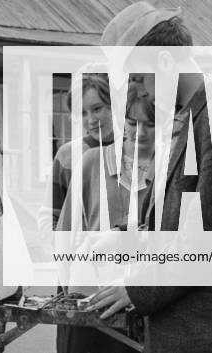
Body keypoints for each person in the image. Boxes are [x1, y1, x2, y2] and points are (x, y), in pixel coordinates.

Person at [88, 1, 212, 353]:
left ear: (165, 61)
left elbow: (209, 241)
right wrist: (129, 237)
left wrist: (136, 290)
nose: (140, 91)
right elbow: (181, 219)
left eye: (139, 77)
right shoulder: (195, 117)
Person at [54, 82, 151, 353]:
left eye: (151, 123)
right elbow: (65, 234)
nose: (141, 131)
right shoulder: (90, 161)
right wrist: (70, 298)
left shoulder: (169, 168)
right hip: (92, 304)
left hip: (143, 305)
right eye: (133, 122)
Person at [51, 75, 115, 229]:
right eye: (82, 113)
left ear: (113, 105)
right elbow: (52, 214)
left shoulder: (135, 149)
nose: (91, 120)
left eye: (97, 109)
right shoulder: (67, 155)